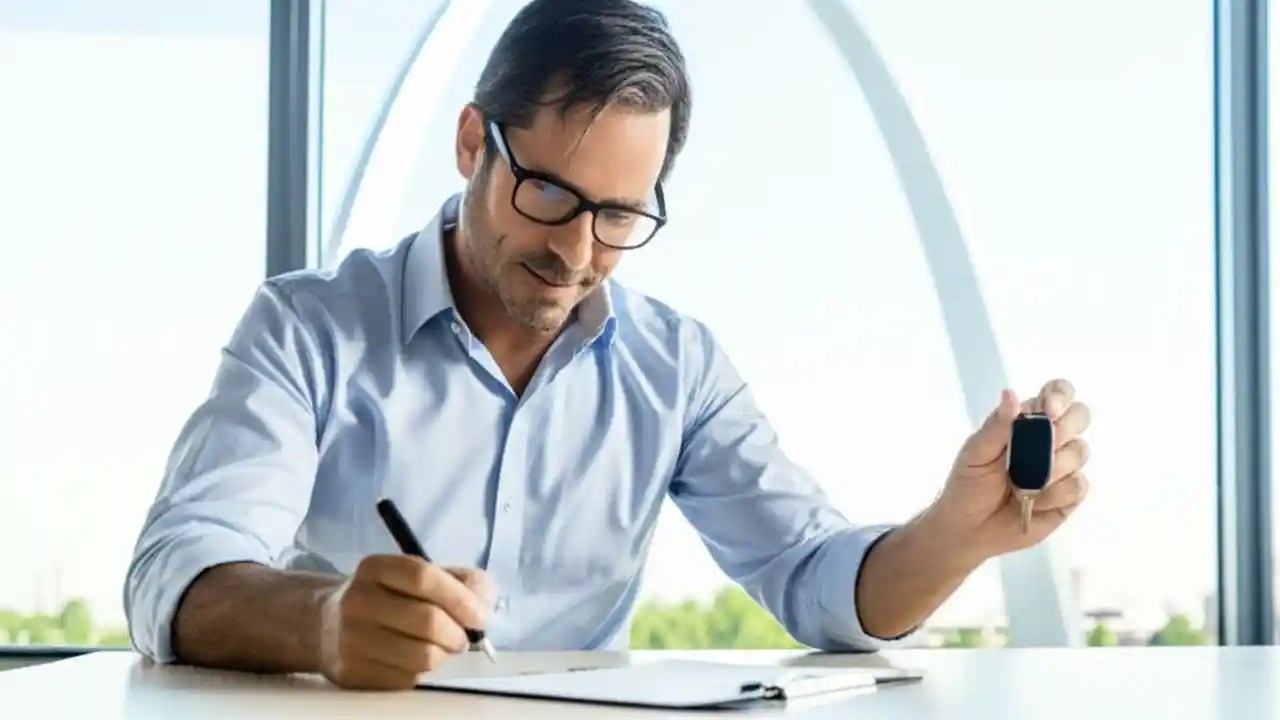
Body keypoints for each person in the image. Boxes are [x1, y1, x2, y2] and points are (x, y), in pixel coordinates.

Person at [123, 0, 1091, 691]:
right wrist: (326, 623)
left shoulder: (675, 368)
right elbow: (179, 567)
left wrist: (955, 536)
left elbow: (816, 585)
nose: (576, 251)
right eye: (548, 194)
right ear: (472, 144)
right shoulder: (308, 328)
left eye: (620, 215)